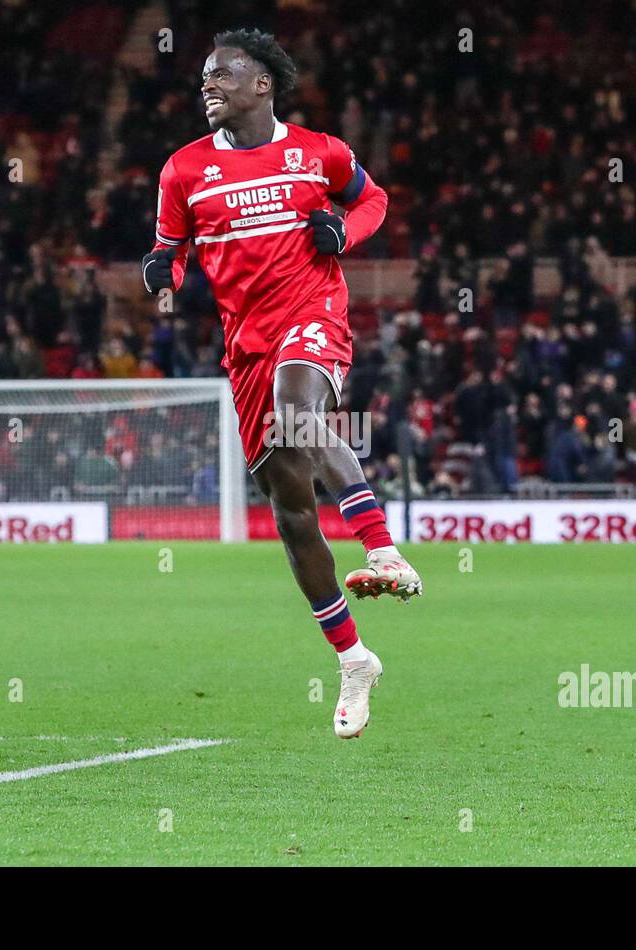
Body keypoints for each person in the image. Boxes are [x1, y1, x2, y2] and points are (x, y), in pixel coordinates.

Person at [140, 29, 421, 739]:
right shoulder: (183, 170)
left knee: (302, 417)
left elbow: (374, 200)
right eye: (204, 77)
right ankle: (354, 659)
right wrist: (161, 274)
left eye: (222, 75)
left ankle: (382, 549)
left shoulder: (317, 151)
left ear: (261, 85)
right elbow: (169, 251)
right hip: (246, 344)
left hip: (311, 315)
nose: (208, 86)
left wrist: (343, 233)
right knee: (291, 512)